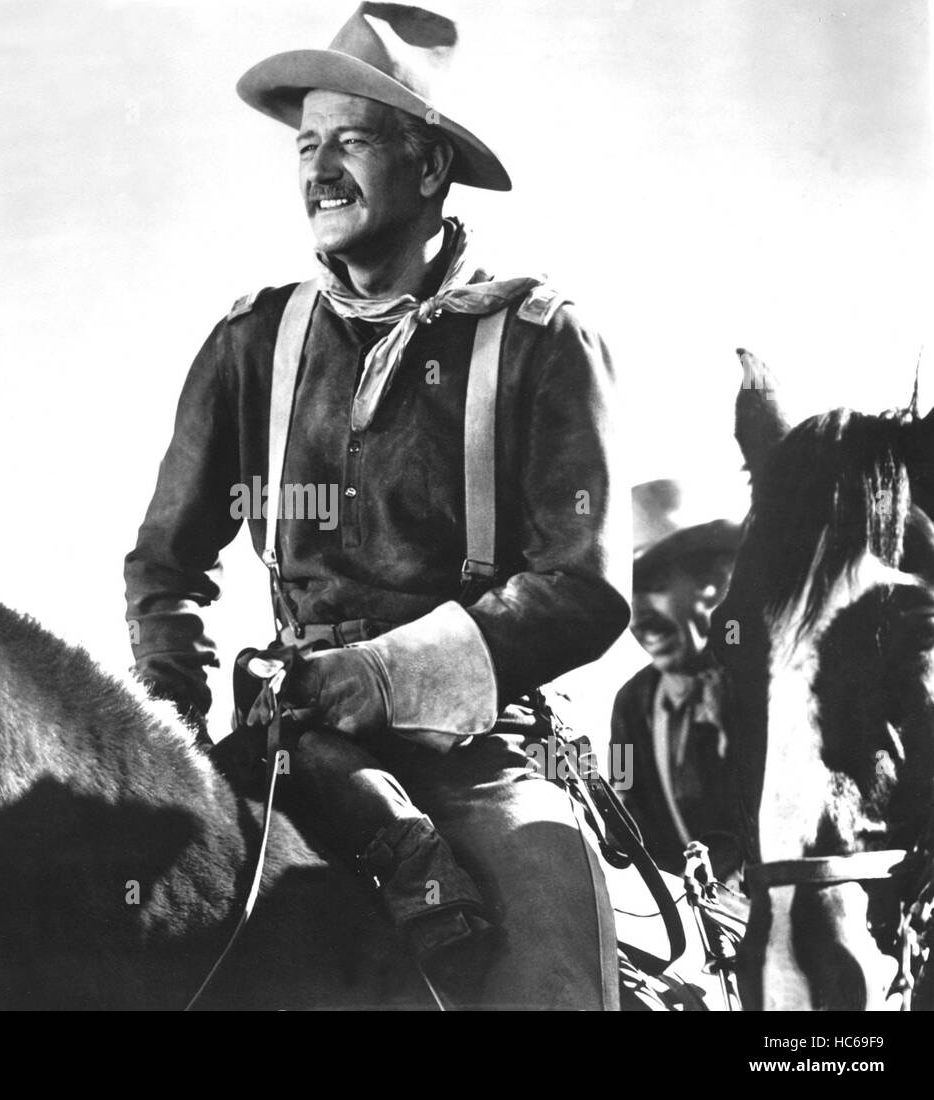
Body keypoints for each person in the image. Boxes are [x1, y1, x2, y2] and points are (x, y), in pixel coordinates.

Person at [125, 2, 630, 1008]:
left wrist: (381, 672)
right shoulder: (252, 342)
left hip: (476, 761)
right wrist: (172, 721)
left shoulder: (539, 339)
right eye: (305, 145)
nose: (317, 170)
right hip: (276, 755)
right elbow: (165, 566)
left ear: (429, 165)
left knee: (546, 987)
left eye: (349, 141)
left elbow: (582, 584)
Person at [610, 478, 747, 881]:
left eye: (652, 587)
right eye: (626, 595)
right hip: (694, 932)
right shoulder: (629, 705)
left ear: (714, 583)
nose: (637, 617)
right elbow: (621, 805)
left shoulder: (775, 684)